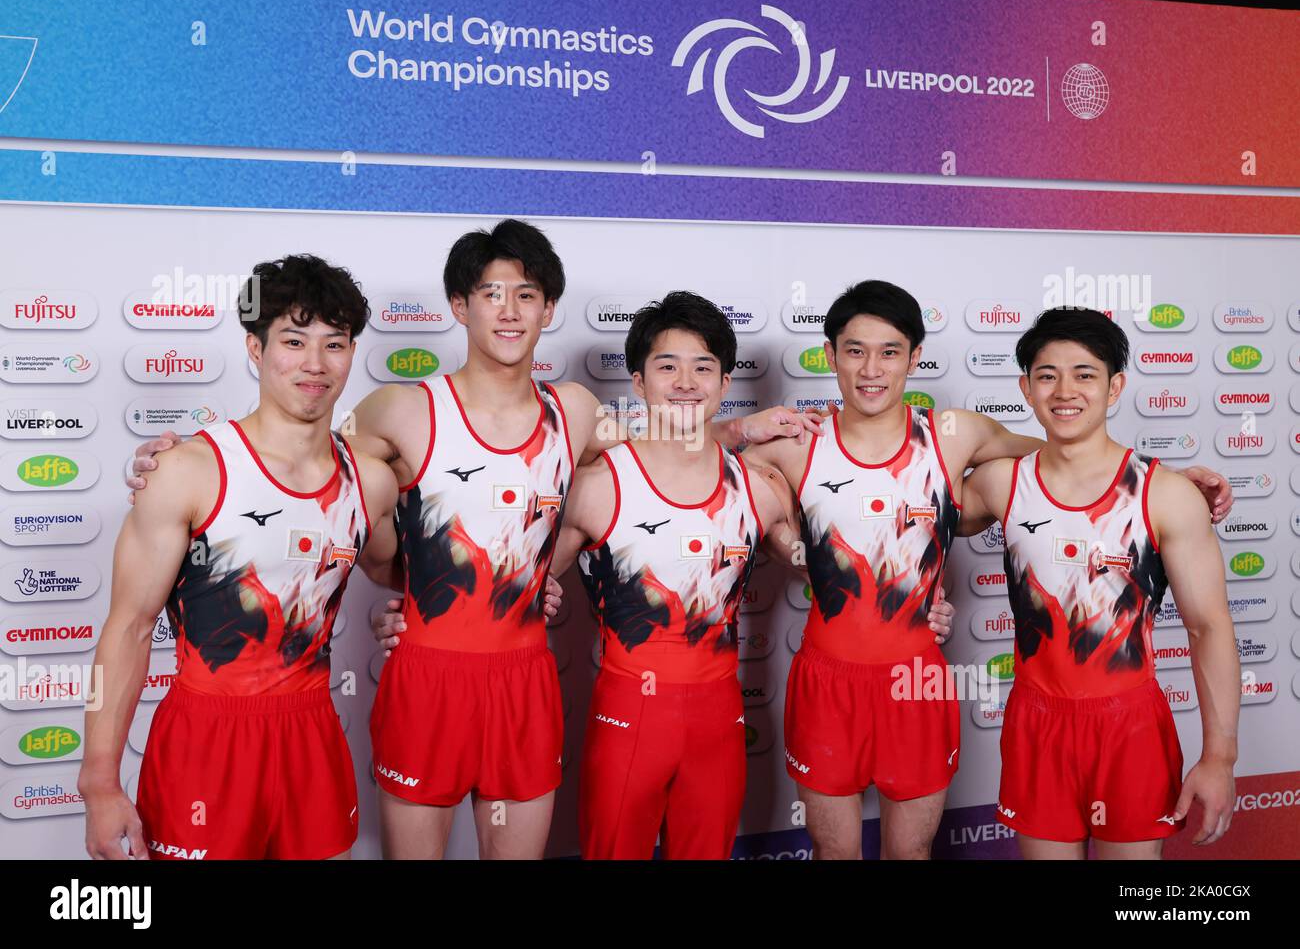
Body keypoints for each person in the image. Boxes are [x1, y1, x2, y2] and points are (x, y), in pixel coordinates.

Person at [127, 219, 823, 859]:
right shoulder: (401, 408)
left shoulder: (573, 411)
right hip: (426, 677)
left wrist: (739, 429)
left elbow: (660, 447)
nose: (510, 309)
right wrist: (185, 459)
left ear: (549, 310)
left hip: (524, 679)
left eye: (527, 294)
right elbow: (294, 458)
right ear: (460, 306)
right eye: (491, 293)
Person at [740, 282, 1233, 859]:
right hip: (977, 705)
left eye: (890, 351)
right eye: (1048, 376)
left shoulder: (971, 444)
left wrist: (1167, 478)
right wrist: (806, 555)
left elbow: (1068, 451)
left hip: (1103, 716)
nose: (1065, 391)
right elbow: (752, 500)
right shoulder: (812, 445)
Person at [549, 291, 952, 858]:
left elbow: (853, 550)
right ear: (638, 383)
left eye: (703, 367)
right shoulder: (596, 484)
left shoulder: (757, 485)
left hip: (719, 716)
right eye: (668, 366)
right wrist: (409, 609)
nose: (686, 381)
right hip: (629, 711)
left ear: (724, 381)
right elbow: (519, 579)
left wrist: (926, 597)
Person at [81, 255, 398, 859]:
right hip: (206, 738)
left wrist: (530, 583)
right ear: (255, 349)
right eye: (293, 340)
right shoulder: (186, 470)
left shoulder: (371, 481)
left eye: (334, 344)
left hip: (311, 735)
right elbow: (128, 627)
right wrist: (99, 781)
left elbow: (396, 568)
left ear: (352, 353)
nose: (314, 363)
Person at [956, 307, 1239, 858]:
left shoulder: (1166, 495)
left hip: (1130, 726)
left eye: (1085, 374)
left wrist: (1220, 756)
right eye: (1047, 376)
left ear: (1115, 388)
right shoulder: (998, 484)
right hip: (1039, 722)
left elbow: (1208, 627)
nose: (1065, 390)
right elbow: (921, 511)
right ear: (1025, 388)